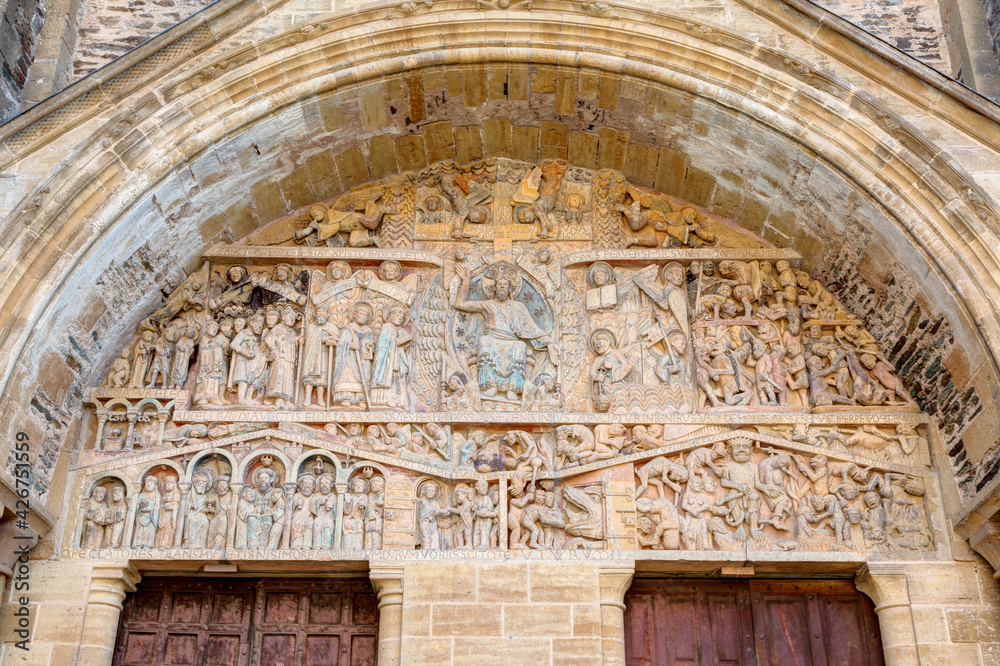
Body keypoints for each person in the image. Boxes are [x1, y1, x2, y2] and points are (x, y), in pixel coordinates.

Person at [453, 263, 558, 401]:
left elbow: (532, 328)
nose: (502, 287)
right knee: (484, 342)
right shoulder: (488, 304)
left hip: (511, 340)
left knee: (520, 346)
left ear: (510, 289)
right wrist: (466, 280)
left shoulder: (518, 306)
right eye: (499, 284)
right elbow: (460, 304)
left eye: (505, 285)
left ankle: (512, 388)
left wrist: (549, 343)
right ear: (494, 288)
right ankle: (492, 386)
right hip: (493, 338)